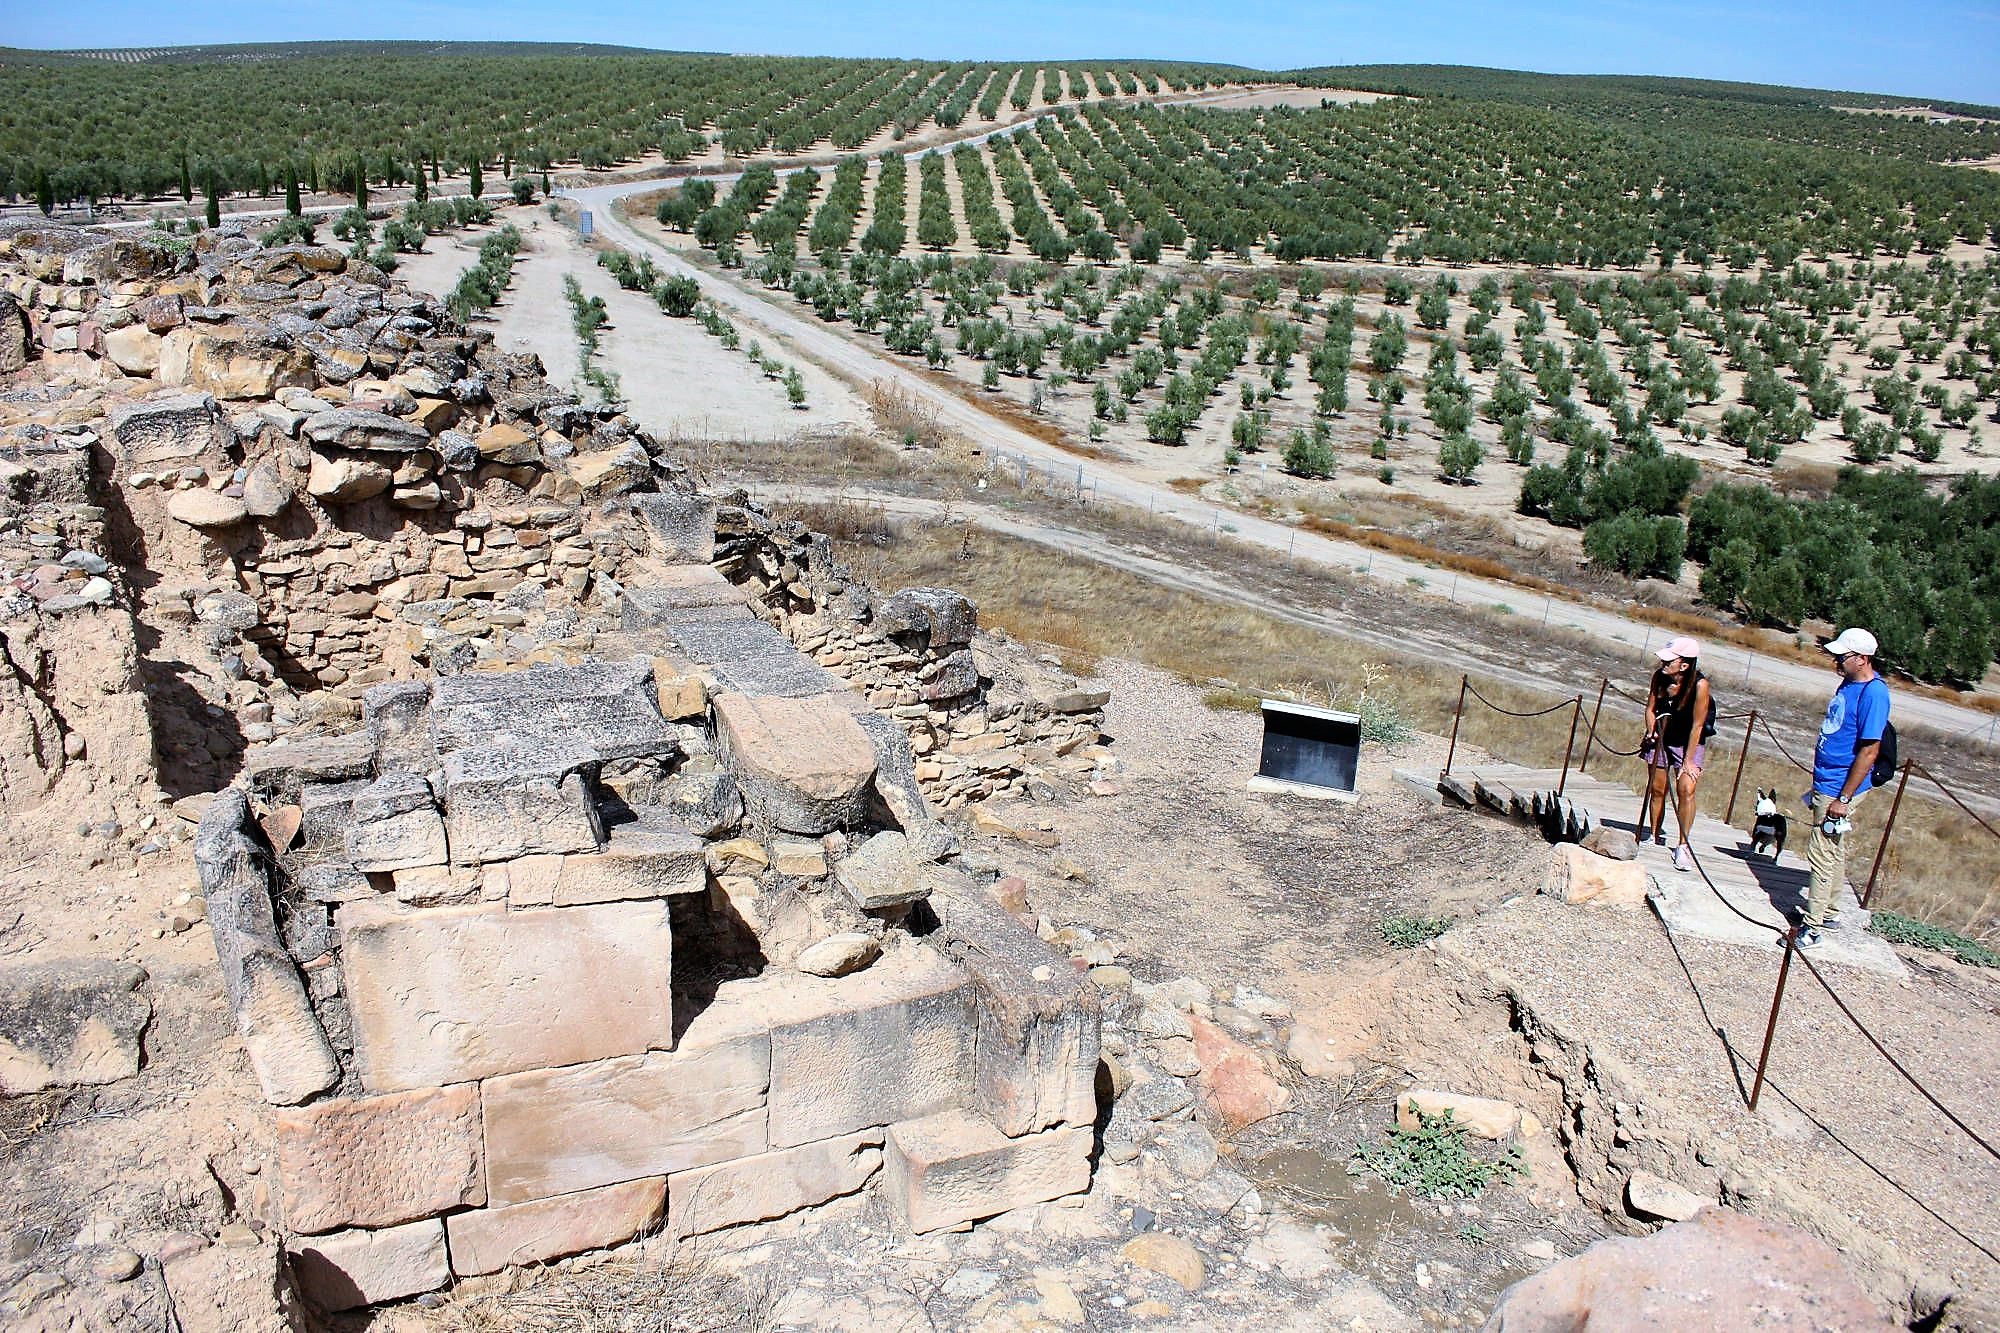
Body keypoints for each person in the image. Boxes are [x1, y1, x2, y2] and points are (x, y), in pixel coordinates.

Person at [1798, 628, 1891, 947]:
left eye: (1843, 657)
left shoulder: (1874, 693)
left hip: (1841, 785)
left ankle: (1812, 926)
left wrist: (1843, 798)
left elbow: (1869, 750)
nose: (1837, 661)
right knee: (1832, 848)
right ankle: (1829, 910)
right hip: (1828, 779)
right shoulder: (1849, 683)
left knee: (1821, 850)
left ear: (1862, 659)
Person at [1637, 637, 1711, 872]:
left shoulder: (1700, 686)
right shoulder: (1659, 678)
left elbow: (1697, 726)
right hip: (1662, 737)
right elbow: (1650, 709)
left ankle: (1683, 845)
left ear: (1685, 665)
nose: (1663, 663)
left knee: (1686, 789)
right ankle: (1654, 834)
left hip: (1688, 743)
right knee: (1658, 788)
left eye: (1670, 660)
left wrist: (1689, 760)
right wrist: (1651, 729)